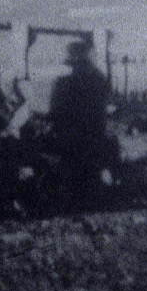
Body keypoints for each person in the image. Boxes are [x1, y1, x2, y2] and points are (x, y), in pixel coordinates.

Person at [48, 39, 114, 208]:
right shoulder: (99, 78)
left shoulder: (66, 81)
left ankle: (74, 200)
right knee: (90, 168)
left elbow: (56, 109)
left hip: (72, 133)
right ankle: (91, 199)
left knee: (73, 167)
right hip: (95, 132)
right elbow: (103, 105)